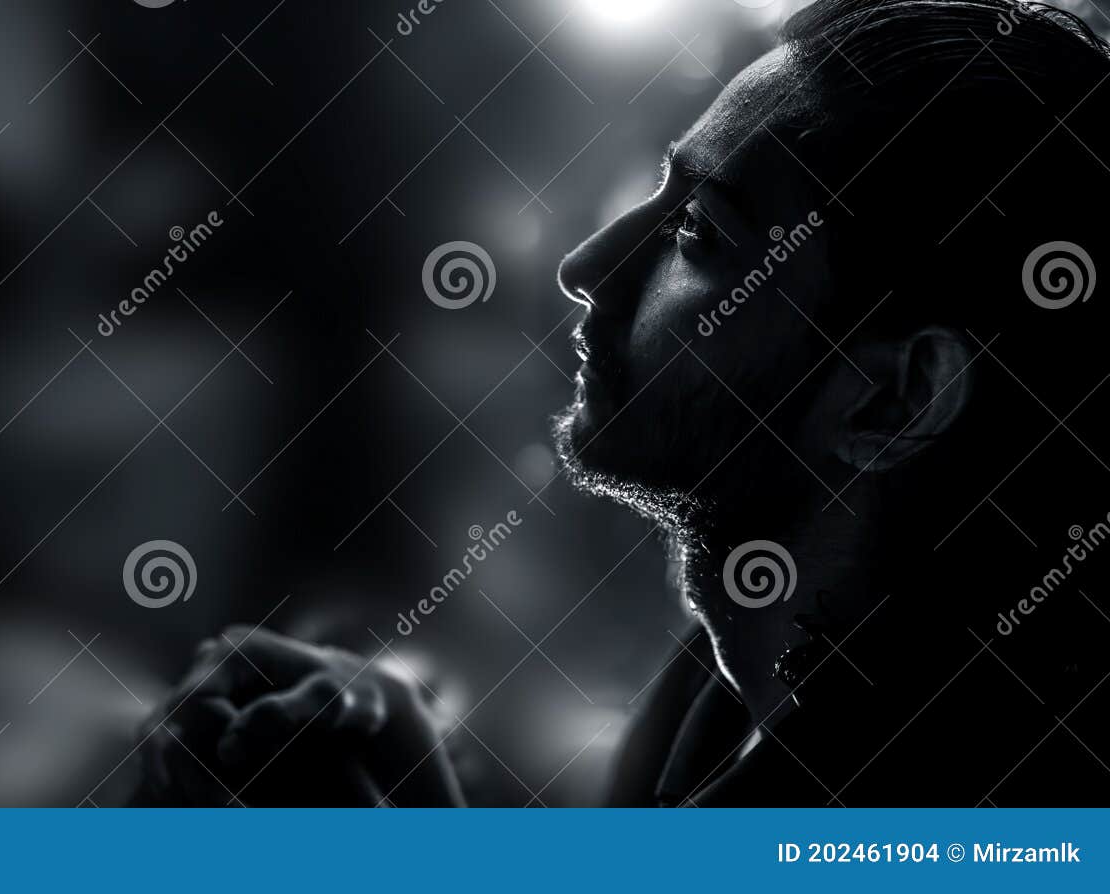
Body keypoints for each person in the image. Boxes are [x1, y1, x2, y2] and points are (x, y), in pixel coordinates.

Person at [133, 0, 1110, 806]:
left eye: (697, 234)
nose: (586, 267)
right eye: (658, 189)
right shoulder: (720, 686)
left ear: (894, 398)